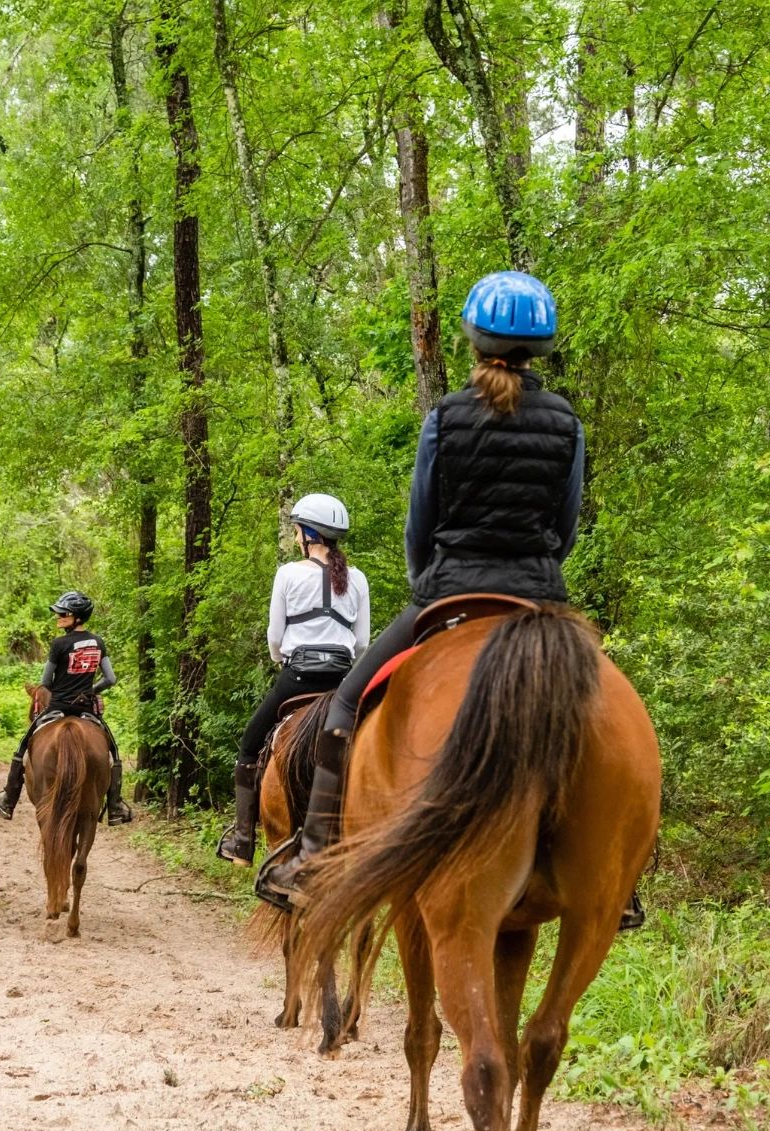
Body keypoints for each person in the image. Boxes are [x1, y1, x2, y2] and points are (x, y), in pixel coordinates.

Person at [258, 271, 644, 930]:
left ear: (471, 338)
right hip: (539, 601)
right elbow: (567, 526)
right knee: (613, 717)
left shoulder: (448, 415)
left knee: (346, 705)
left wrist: (428, 584)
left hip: (451, 591)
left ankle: (315, 853)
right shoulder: (566, 423)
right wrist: (539, 574)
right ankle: (622, 876)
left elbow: (421, 523)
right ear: (542, 348)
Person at [216, 494, 370, 867]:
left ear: (308, 534)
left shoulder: (288, 574)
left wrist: (281, 660)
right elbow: (362, 642)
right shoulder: (359, 579)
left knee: (251, 743)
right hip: (341, 686)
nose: (296, 536)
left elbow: (274, 636)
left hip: (297, 676)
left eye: (298, 530)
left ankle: (242, 841)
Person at [0, 591, 132, 826]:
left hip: (57, 707)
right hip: (85, 709)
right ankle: (115, 806)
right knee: (113, 752)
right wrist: (91, 691)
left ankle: (8, 798)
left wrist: (60, 688)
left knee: (22, 747)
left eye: (62, 613)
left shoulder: (59, 644)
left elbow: (45, 681)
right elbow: (111, 679)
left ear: (76, 616)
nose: (58, 617)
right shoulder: (98, 642)